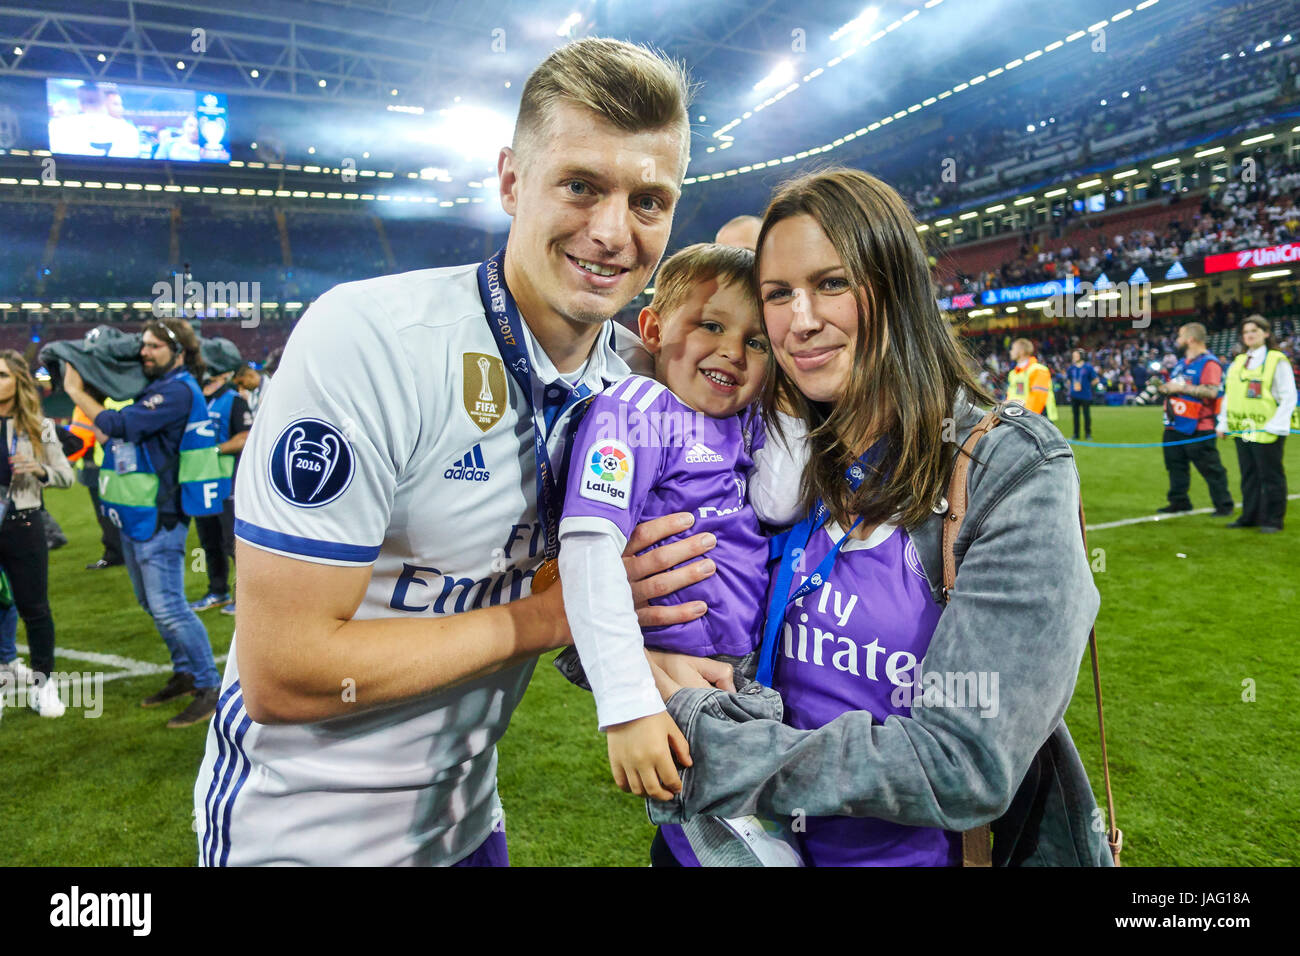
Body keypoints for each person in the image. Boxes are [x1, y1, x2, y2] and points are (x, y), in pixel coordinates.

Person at [191, 37, 724, 867]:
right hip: (300, 842)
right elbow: (285, 671)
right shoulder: (371, 339)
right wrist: (549, 617)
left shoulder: (638, 391)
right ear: (512, 180)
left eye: (649, 200)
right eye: (581, 185)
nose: (613, 232)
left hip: (471, 825)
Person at [644, 168, 1113, 867]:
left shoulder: (1007, 470)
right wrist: (623, 626)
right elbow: (649, 629)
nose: (800, 320)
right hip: (712, 850)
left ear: (896, 284)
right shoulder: (761, 442)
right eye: (778, 294)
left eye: (831, 284)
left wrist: (703, 740)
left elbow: (961, 763)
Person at [556, 244, 804, 833]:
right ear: (653, 327)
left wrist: (787, 387)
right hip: (678, 681)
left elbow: (784, 499)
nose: (732, 352)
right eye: (711, 325)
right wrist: (629, 702)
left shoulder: (739, 424)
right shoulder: (636, 409)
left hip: (738, 667)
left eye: (756, 342)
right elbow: (588, 545)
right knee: (728, 829)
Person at [61, 319, 228, 728]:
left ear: (180, 352)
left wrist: (75, 389)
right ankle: (186, 673)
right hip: (138, 512)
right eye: (144, 345)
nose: (144, 352)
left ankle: (210, 687)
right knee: (150, 603)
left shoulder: (176, 390)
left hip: (161, 514)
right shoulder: (157, 387)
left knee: (170, 607)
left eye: (154, 346)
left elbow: (123, 425)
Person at [0, 350, 75, 718]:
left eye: (1, 375)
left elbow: (66, 475)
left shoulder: (39, 426)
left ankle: (44, 685)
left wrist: (40, 470)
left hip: (24, 525)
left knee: (35, 609)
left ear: (18, 382)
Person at [1218, 315, 1296, 533]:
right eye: (1246, 332)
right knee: (1248, 474)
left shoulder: (1276, 360)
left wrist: (1275, 424)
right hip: (1243, 429)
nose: (1250, 335)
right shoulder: (1239, 361)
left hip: (1268, 429)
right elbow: (1230, 394)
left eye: (1254, 330)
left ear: (1266, 333)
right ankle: (1249, 516)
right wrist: (1223, 422)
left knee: (1270, 476)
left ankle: (1273, 519)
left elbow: (1288, 396)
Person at [189, 368, 252, 615]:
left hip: (227, 480)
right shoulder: (195, 399)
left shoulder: (233, 400)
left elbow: (246, 436)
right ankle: (217, 591)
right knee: (208, 541)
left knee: (232, 542)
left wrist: (214, 450)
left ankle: (244, 597)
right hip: (199, 480)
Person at [1156, 322, 1233, 516]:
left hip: (1199, 425)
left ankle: (1224, 505)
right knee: (1175, 466)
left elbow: (1212, 391)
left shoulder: (1209, 363)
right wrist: (1164, 387)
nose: (1177, 340)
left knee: (1211, 469)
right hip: (1175, 424)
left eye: (1180, 336)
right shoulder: (1182, 363)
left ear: (1191, 339)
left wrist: (1179, 388)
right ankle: (1179, 501)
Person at [68, 400, 128, 569]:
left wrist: (64, 462)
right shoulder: (120, 398)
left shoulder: (87, 402)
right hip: (111, 464)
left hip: (99, 467)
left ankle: (115, 554)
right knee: (116, 512)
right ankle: (120, 552)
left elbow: (80, 438)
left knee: (106, 514)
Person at [1006, 337, 1058, 422]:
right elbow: (1010, 396)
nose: (1010, 351)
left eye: (1013, 349)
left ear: (1022, 351)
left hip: (1038, 418)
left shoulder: (1038, 370)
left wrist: (1027, 417)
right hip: (1019, 416)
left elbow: (1038, 397)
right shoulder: (1013, 373)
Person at [1066, 348, 1100, 440]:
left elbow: (1096, 379)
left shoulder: (1088, 367)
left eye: (1076, 355)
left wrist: (1088, 386)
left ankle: (1088, 434)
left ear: (1081, 356)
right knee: (1075, 415)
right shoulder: (1071, 368)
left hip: (1085, 394)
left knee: (1086, 415)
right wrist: (1072, 387)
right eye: (1073, 356)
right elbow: (1068, 380)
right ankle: (1076, 434)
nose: (1074, 357)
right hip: (1074, 395)